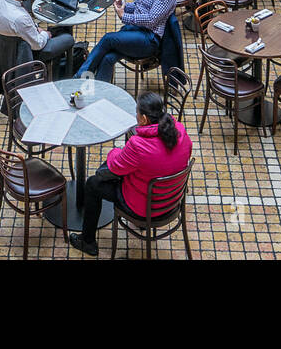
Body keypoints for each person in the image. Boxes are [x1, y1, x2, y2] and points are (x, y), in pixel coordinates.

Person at [68, 90, 192, 257]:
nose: (136, 116)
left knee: (93, 184)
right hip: (170, 201)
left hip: (144, 206)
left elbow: (115, 167)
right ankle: (137, 226)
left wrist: (116, 151)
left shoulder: (139, 145)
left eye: (137, 113)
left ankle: (87, 241)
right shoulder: (180, 131)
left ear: (144, 119)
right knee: (141, 172)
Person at [76, 0, 176, 84]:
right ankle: (101, 92)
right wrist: (124, 6)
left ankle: (79, 77)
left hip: (149, 39)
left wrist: (124, 16)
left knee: (108, 39)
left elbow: (152, 19)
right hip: (134, 32)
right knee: (108, 58)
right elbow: (138, 6)